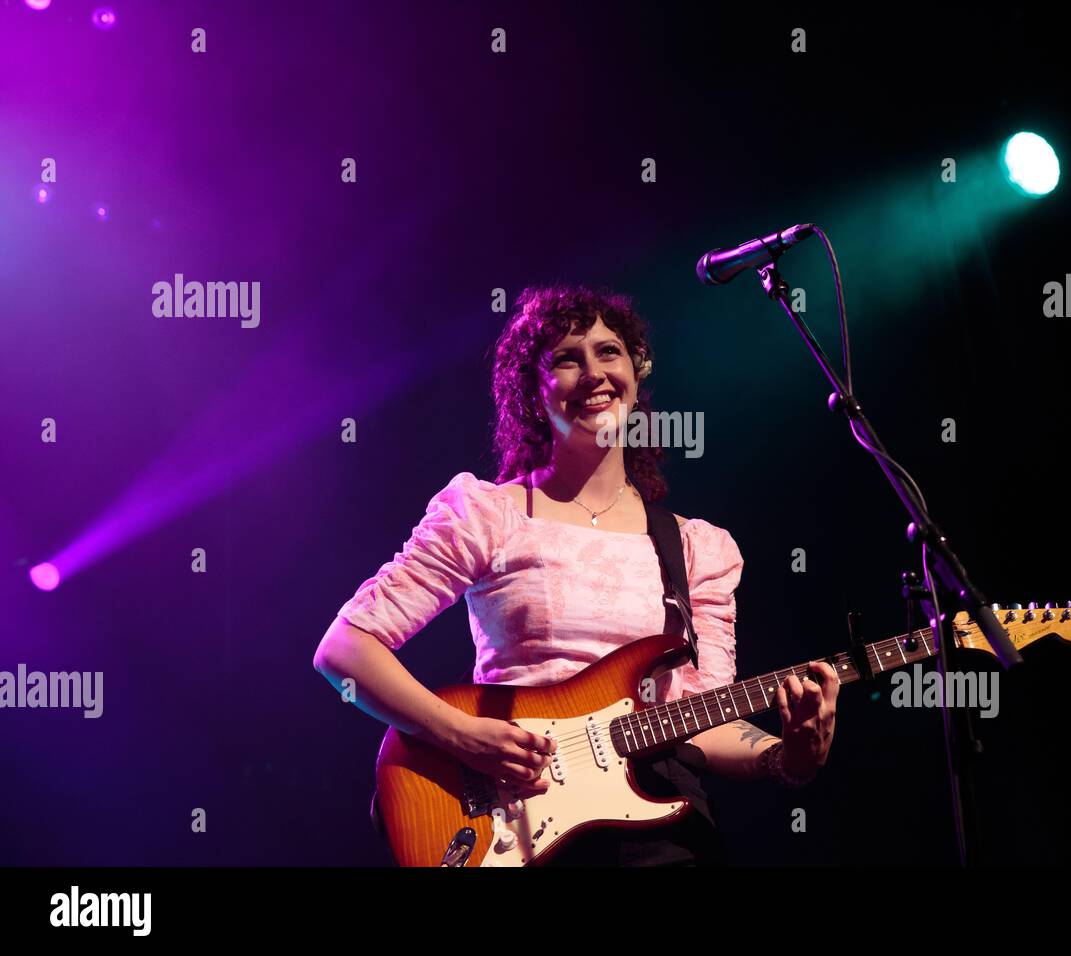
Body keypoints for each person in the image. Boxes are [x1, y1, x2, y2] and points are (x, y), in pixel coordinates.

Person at [313, 282, 838, 865]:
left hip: (660, 830)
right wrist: (461, 736)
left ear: (637, 376)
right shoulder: (489, 515)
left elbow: (703, 717)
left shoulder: (695, 550)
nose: (594, 373)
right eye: (567, 358)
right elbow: (346, 649)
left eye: (609, 352)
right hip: (519, 815)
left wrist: (787, 758)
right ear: (533, 395)